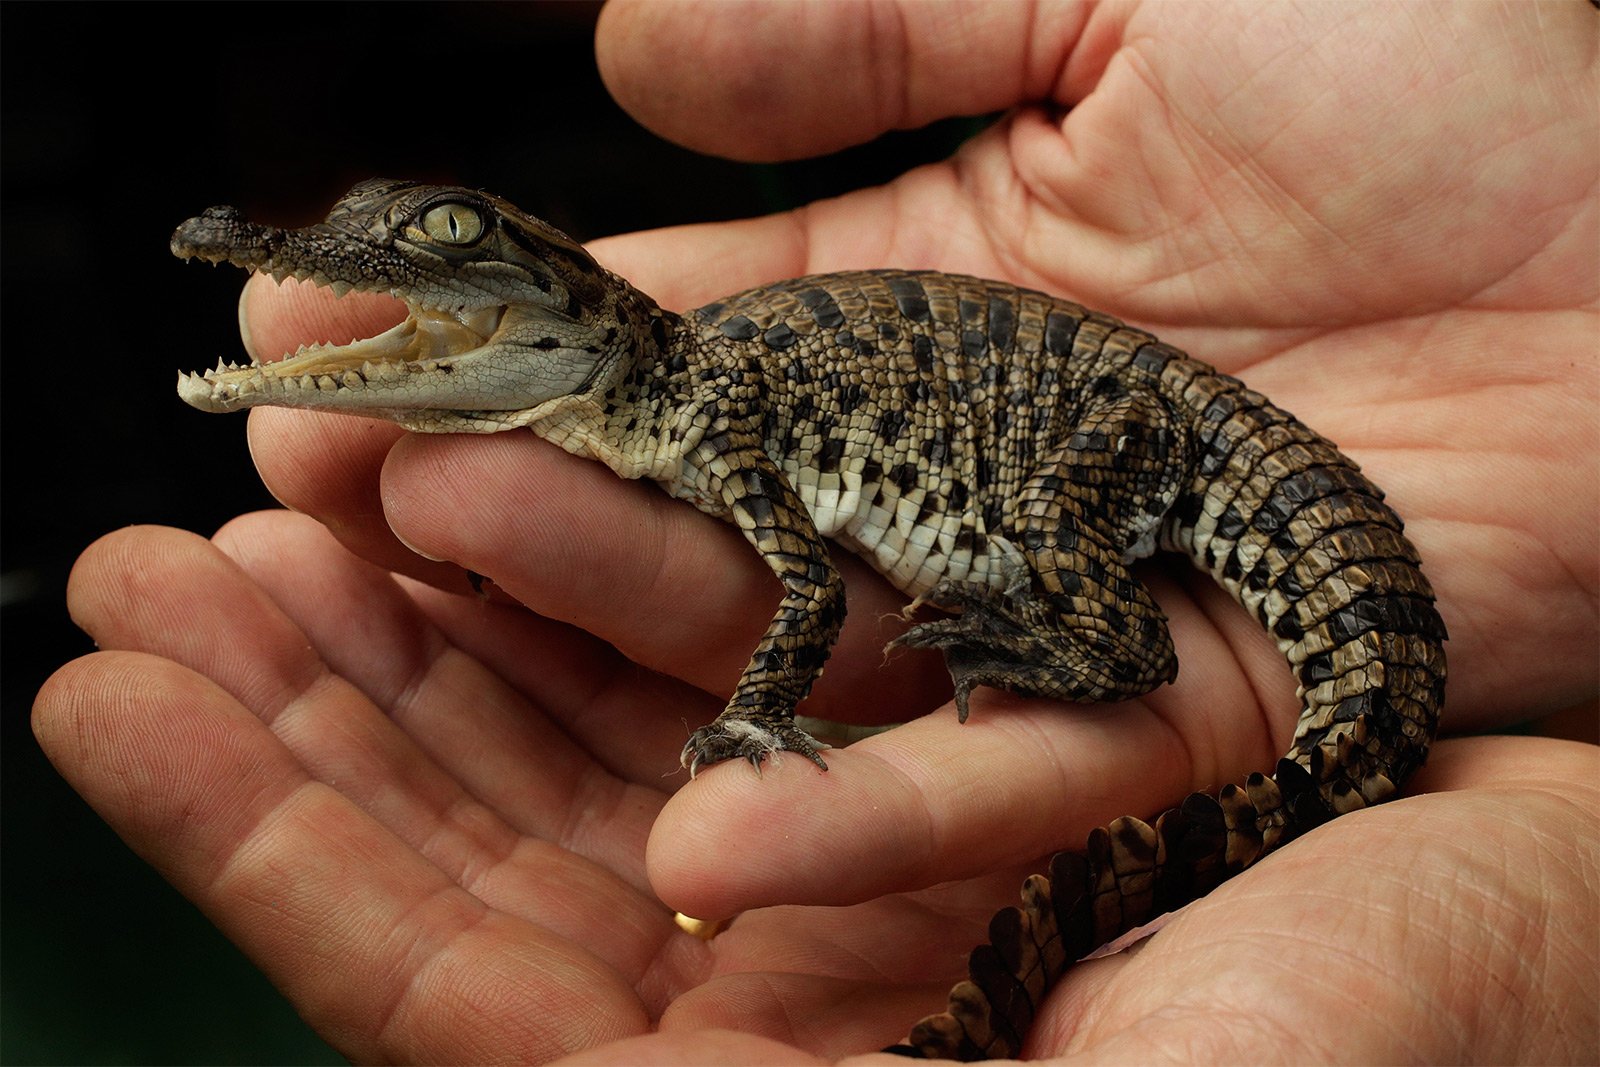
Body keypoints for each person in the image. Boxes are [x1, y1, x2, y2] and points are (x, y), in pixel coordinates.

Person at [33, 1, 1598, 1062]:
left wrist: (757, 714)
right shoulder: (658, 395)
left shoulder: (701, 412)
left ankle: (1112, 639)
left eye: (442, 238)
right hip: (1119, 420)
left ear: (559, 295)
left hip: (1156, 443)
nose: (376, 260)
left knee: (1075, 545)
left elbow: (803, 596)